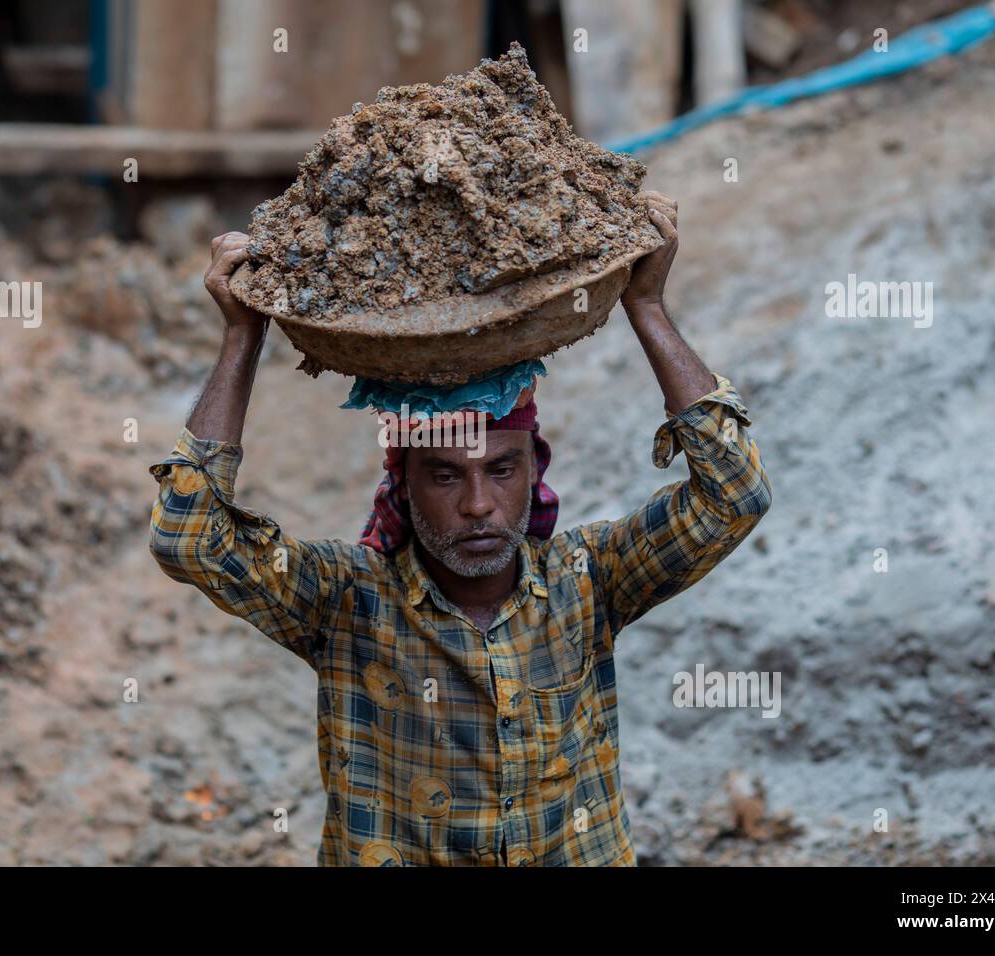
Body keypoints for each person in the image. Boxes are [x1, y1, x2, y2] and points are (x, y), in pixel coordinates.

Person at [147, 196, 772, 866]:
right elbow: (188, 535)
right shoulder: (347, 601)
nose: (479, 504)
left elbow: (733, 494)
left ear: (534, 470)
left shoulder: (588, 580)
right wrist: (243, 340)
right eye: (445, 476)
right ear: (402, 482)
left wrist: (645, 306)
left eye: (501, 469)